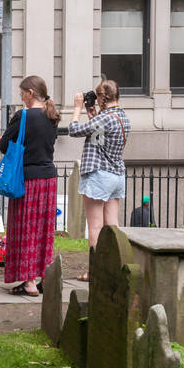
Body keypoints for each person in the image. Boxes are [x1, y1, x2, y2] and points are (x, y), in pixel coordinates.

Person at [0, 75, 61, 297]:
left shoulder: (22, 116)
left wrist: (3, 141)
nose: (21, 97)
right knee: (44, 229)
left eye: (22, 93)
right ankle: (45, 276)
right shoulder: (52, 116)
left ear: (30, 93)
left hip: (27, 178)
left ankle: (29, 282)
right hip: (49, 179)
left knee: (26, 228)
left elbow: (5, 145)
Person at [67, 79, 131, 258]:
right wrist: (92, 116)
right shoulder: (122, 117)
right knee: (112, 227)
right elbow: (99, 140)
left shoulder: (105, 118)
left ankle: (94, 270)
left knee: (95, 226)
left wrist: (78, 108)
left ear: (103, 97)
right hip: (116, 176)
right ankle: (115, 265)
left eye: (97, 96)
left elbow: (74, 130)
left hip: (99, 175)